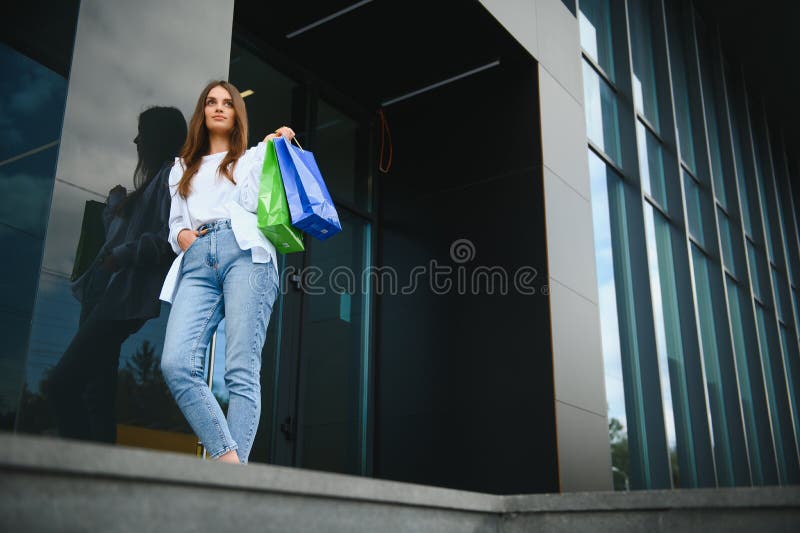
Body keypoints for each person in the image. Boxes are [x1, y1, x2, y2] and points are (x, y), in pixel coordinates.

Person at [159, 80, 293, 464]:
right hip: (198, 260)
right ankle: (229, 464)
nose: (219, 107)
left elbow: (252, 201)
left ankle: (228, 479)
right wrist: (182, 235)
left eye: (227, 103)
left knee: (240, 371)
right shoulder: (180, 169)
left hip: (245, 254)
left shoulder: (249, 158)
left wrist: (271, 149)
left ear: (237, 114)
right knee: (176, 363)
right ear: (202, 112)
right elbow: (175, 224)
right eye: (211, 102)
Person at [47, 106, 187, 443]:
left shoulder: (172, 177)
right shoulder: (152, 183)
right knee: (96, 393)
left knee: (62, 384)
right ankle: (95, 465)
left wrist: (120, 257)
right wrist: (114, 208)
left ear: (158, 137)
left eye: (143, 133)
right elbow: (120, 237)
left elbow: (171, 239)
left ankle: (78, 466)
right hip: (104, 291)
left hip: (120, 298)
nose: (136, 141)